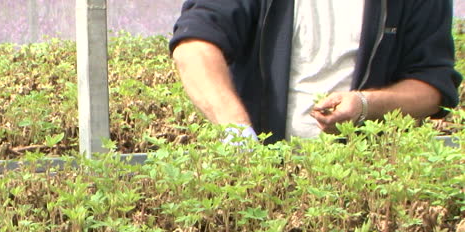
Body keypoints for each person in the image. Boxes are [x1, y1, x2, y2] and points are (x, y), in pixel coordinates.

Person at [169, 0, 462, 143]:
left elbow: (432, 85)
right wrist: (238, 132)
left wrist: (365, 106)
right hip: (263, 176)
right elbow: (195, 45)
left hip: (368, 185)